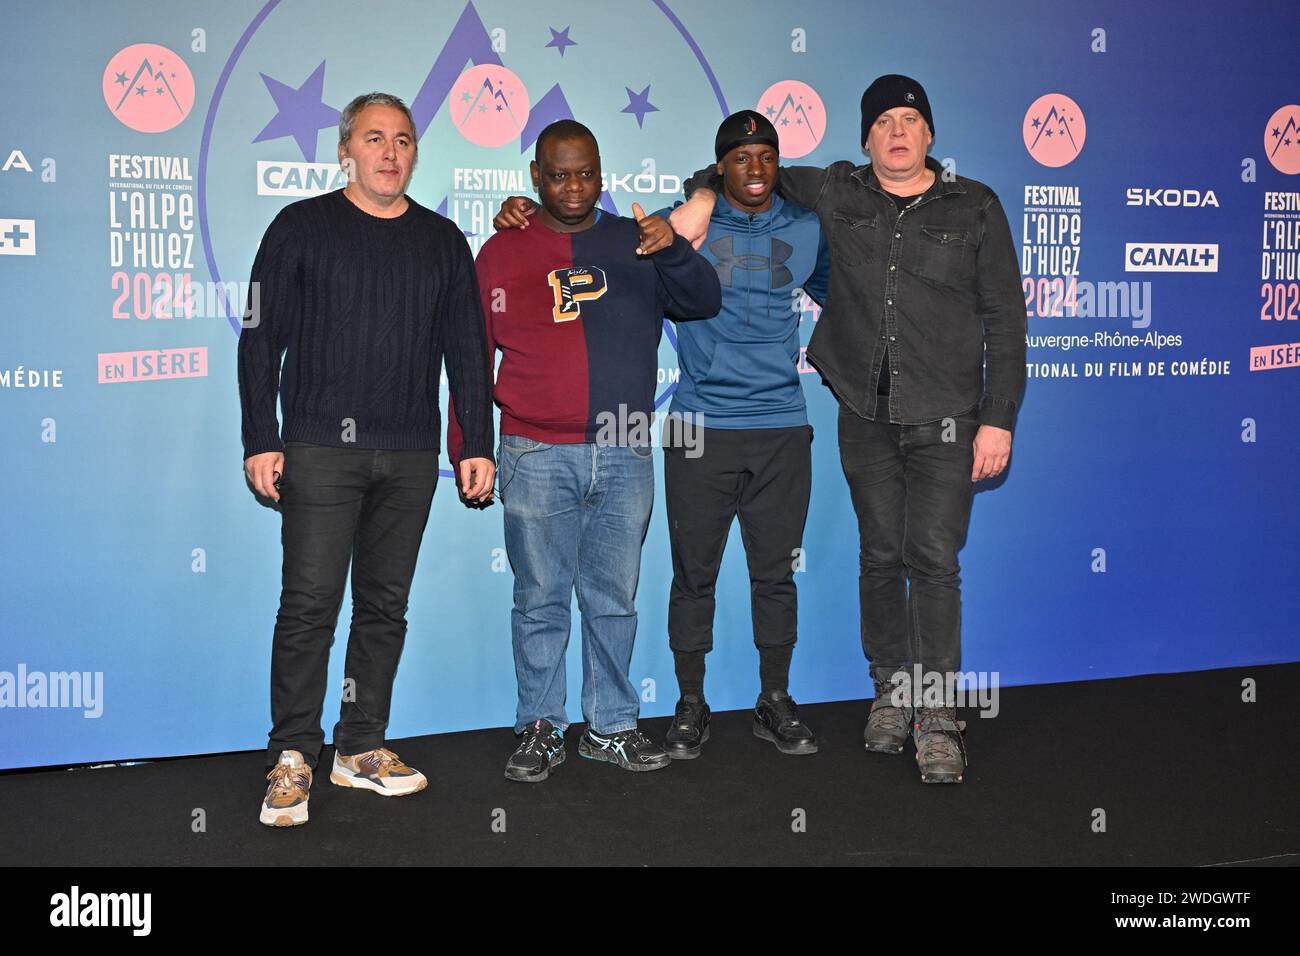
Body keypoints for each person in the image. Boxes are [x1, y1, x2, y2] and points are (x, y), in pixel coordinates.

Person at [671, 75, 1027, 783]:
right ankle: (890, 693)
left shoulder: (976, 204)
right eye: (884, 122)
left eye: (910, 120)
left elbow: (1007, 322)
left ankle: (937, 715)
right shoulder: (836, 190)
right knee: (877, 558)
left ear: (930, 134)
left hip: (948, 419)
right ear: (865, 138)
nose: (898, 132)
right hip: (864, 416)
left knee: (932, 560)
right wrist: (703, 193)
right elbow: (742, 167)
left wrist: (998, 420)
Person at [239, 92, 496, 826]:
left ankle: (359, 748)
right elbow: (259, 340)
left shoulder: (444, 241)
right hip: (318, 449)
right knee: (310, 605)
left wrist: (474, 442)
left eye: (404, 139)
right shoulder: (300, 227)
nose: (391, 152)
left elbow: (468, 354)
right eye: (375, 138)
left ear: (416, 153)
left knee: (384, 608)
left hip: (411, 453)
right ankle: (292, 755)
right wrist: (263, 434)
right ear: (345, 150)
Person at [451, 120, 720, 783]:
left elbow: (704, 301)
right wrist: (468, 446)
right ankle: (541, 725)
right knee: (539, 598)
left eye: (587, 173)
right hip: (534, 449)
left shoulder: (638, 239)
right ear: (536, 177)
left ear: (603, 175)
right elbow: (469, 356)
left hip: (625, 448)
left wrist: (674, 251)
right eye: (560, 173)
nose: (575, 186)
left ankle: (611, 726)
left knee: (614, 599)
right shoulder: (501, 250)